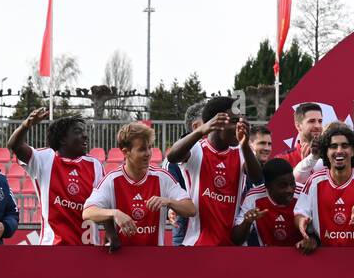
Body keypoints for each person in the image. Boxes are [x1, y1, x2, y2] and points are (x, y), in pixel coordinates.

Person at [166, 96, 263, 246]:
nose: (239, 126)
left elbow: (257, 178)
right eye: (234, 121)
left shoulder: (241, 152)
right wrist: (200, 131)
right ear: (216, 123)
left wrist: (244, 145)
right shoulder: (197, 149)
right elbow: (172, 157)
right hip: (196, 246)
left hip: (230, 247)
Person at [84, 122, 195, 248]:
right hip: (121, 259)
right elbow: (87, 212)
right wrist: (115, 213)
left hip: (153, 258)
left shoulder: (162, 177)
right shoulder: (111, 180)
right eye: (142, 149)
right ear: (126, 152)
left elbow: (191, 209)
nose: (148, 153)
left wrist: (168, 201)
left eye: (149, 147)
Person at [7, 108, 104, 245]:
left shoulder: (95, 165)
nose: (85, 136)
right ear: (63, 139)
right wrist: (26, 125)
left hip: (88, 250)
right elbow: (14, 145)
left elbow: (105, 204)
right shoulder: (43, 159)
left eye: (84, 132)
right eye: (78, 132)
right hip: (52, 249)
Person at [294, 124, 354, 247]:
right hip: (324, 258)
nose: (339, 151)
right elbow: (300, 212)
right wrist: (302, 221)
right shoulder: (315, 181)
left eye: (345, 146)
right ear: (326, 152)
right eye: (333, 146)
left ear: (353, 151)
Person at [233, 158, 316, 252]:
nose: (290, 190)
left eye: (292, 184)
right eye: (283, 186)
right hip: (267, 258)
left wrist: (312, 240)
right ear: (268, 186)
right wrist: (247, 222)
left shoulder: (303, 192)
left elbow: (316, 230)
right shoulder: (254, 197)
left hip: (300, 255)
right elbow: (237, 240)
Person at [167, 99, 206, 246]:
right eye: (210, 122)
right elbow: (171, 191)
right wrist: (174, 207)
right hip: (185, 224)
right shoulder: (176, 159)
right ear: (196, 127)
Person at [275, 102, 325, 167]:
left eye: (320, 121)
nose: (317, 126)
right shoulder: (283, 159)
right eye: (312, 121)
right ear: (298, 126)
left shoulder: (330, 155)